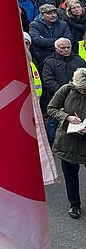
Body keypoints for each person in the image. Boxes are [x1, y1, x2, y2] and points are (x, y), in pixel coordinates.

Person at [47, 67, 86, 219]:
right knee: (70, 175)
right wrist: (67, 117)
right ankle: (74, 204)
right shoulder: (66, 90)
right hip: (67, 141)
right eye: (81, 89)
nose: (83, 92)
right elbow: (51, 108)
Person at [42, 38, 86, 109]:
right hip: (58, 98)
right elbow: (48, 81)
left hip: (79, 96)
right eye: (63, 48)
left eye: (68, 47)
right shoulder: (49, 62)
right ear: (56, 49)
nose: (66, 49)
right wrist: (63, 92)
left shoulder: (79, 60)